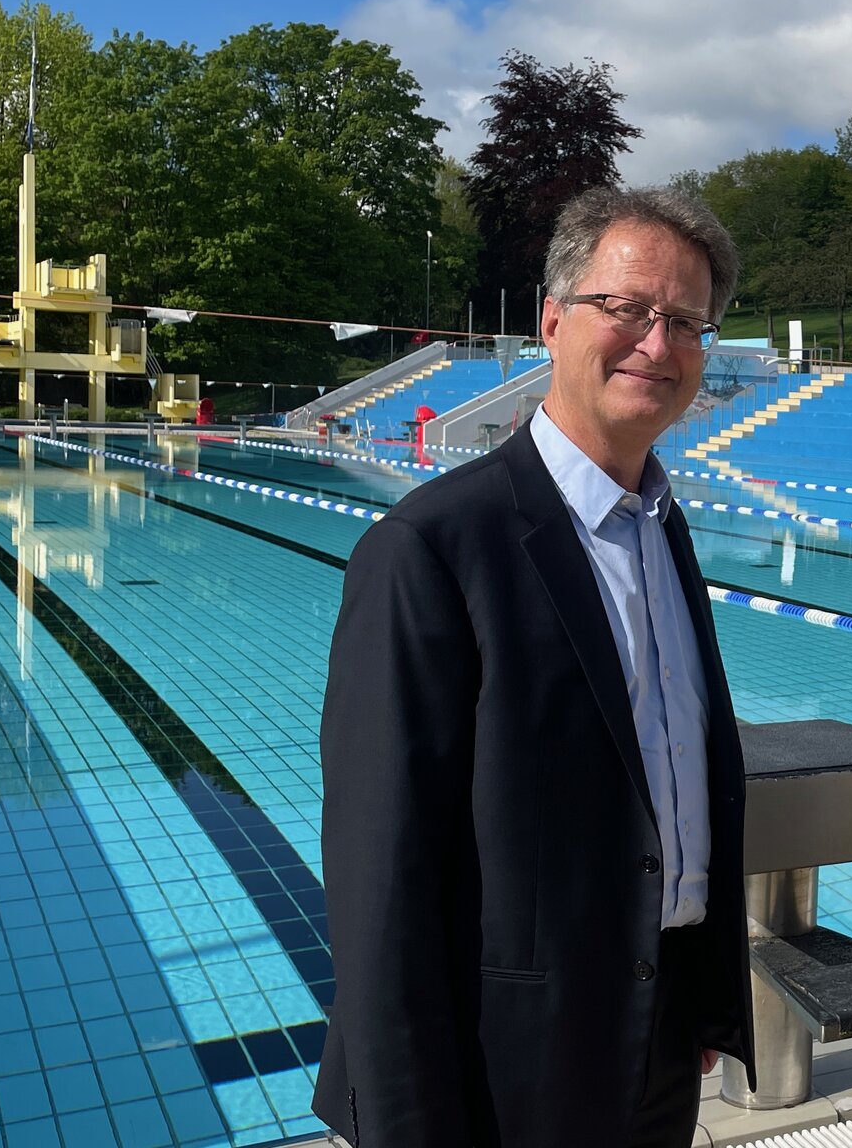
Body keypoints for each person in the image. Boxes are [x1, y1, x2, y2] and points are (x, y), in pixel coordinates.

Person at [314, 186, 755, 1148]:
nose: (657, 341)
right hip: (502, 1061)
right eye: (628, 308)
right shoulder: (430, 548)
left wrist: (704, 994)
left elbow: (675, 779)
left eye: (686, 322)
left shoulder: (663, 531)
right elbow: (381, 871)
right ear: (553, 320)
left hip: (660, 1028)